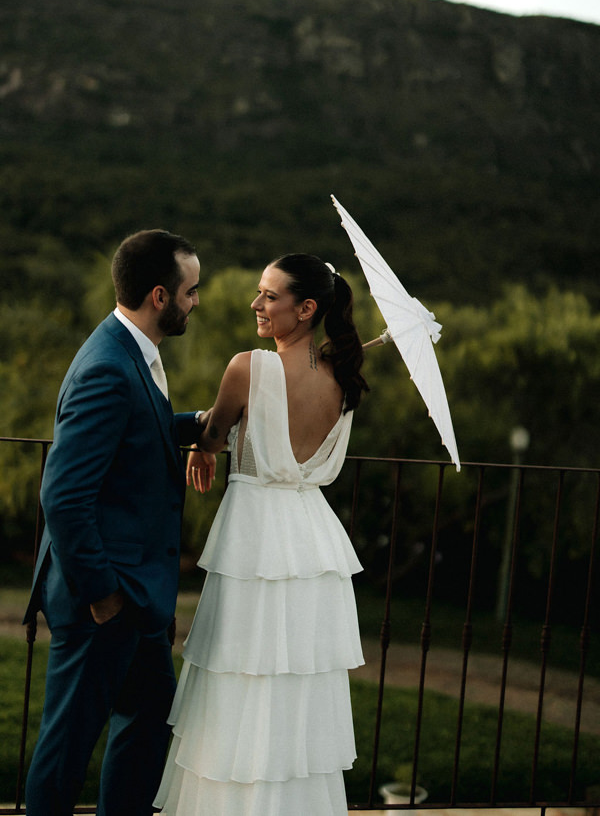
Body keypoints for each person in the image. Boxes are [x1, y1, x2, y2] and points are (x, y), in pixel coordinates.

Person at [154, 253, 369, 816]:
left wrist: (202, 447)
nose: (257, 304)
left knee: (238, 678)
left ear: (307, 309)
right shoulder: (343, 382)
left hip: (255, 543)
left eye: (269, 297)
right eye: (260, 292)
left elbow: (215, 431)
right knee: (294, 689)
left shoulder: (248, 368)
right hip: (311, 544)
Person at [23, 229, 216, 816]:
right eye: (191, 291)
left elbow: (137, 432)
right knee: (67, 747)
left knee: (151, 718)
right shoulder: (109, 367)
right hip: (104, 598)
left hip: (135, 598)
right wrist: (102, 593)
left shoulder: (130, 349)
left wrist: (199, 423)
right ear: (160, 296)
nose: (196, 302)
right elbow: (63, 494)